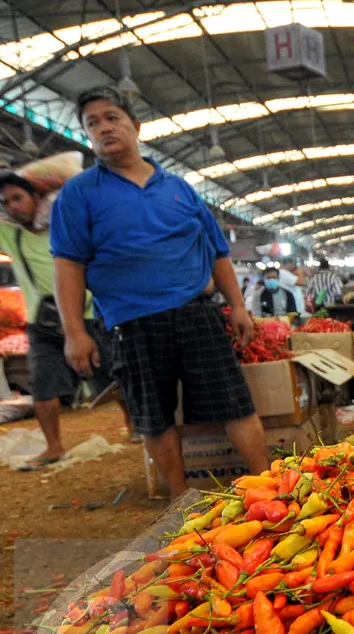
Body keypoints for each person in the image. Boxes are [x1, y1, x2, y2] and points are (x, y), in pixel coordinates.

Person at [50, 86, 269, 499]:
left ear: (135, 126)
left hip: (196, 312)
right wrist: (74, 331)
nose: (103, 128)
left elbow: (218, 252)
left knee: (235, 402)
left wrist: (238, 306)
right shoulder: (78, 195)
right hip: (131, 321)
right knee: (153, 416)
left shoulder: (180, 188)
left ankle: (270, 484)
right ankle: (180, 497)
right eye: (92, 124)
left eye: (111, 118)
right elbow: (69, 264)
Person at [0, 170, 123, 468]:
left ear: (36, 197)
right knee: (43, 384)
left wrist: (48, 182)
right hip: (42, 326)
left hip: (90, 316)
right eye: (6, 202)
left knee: (115, 376)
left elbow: (69, 173)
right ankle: (53, 447)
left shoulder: (65, 226)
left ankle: (134, 428)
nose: (13, 206)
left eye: (18, 197)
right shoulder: (10, 234)